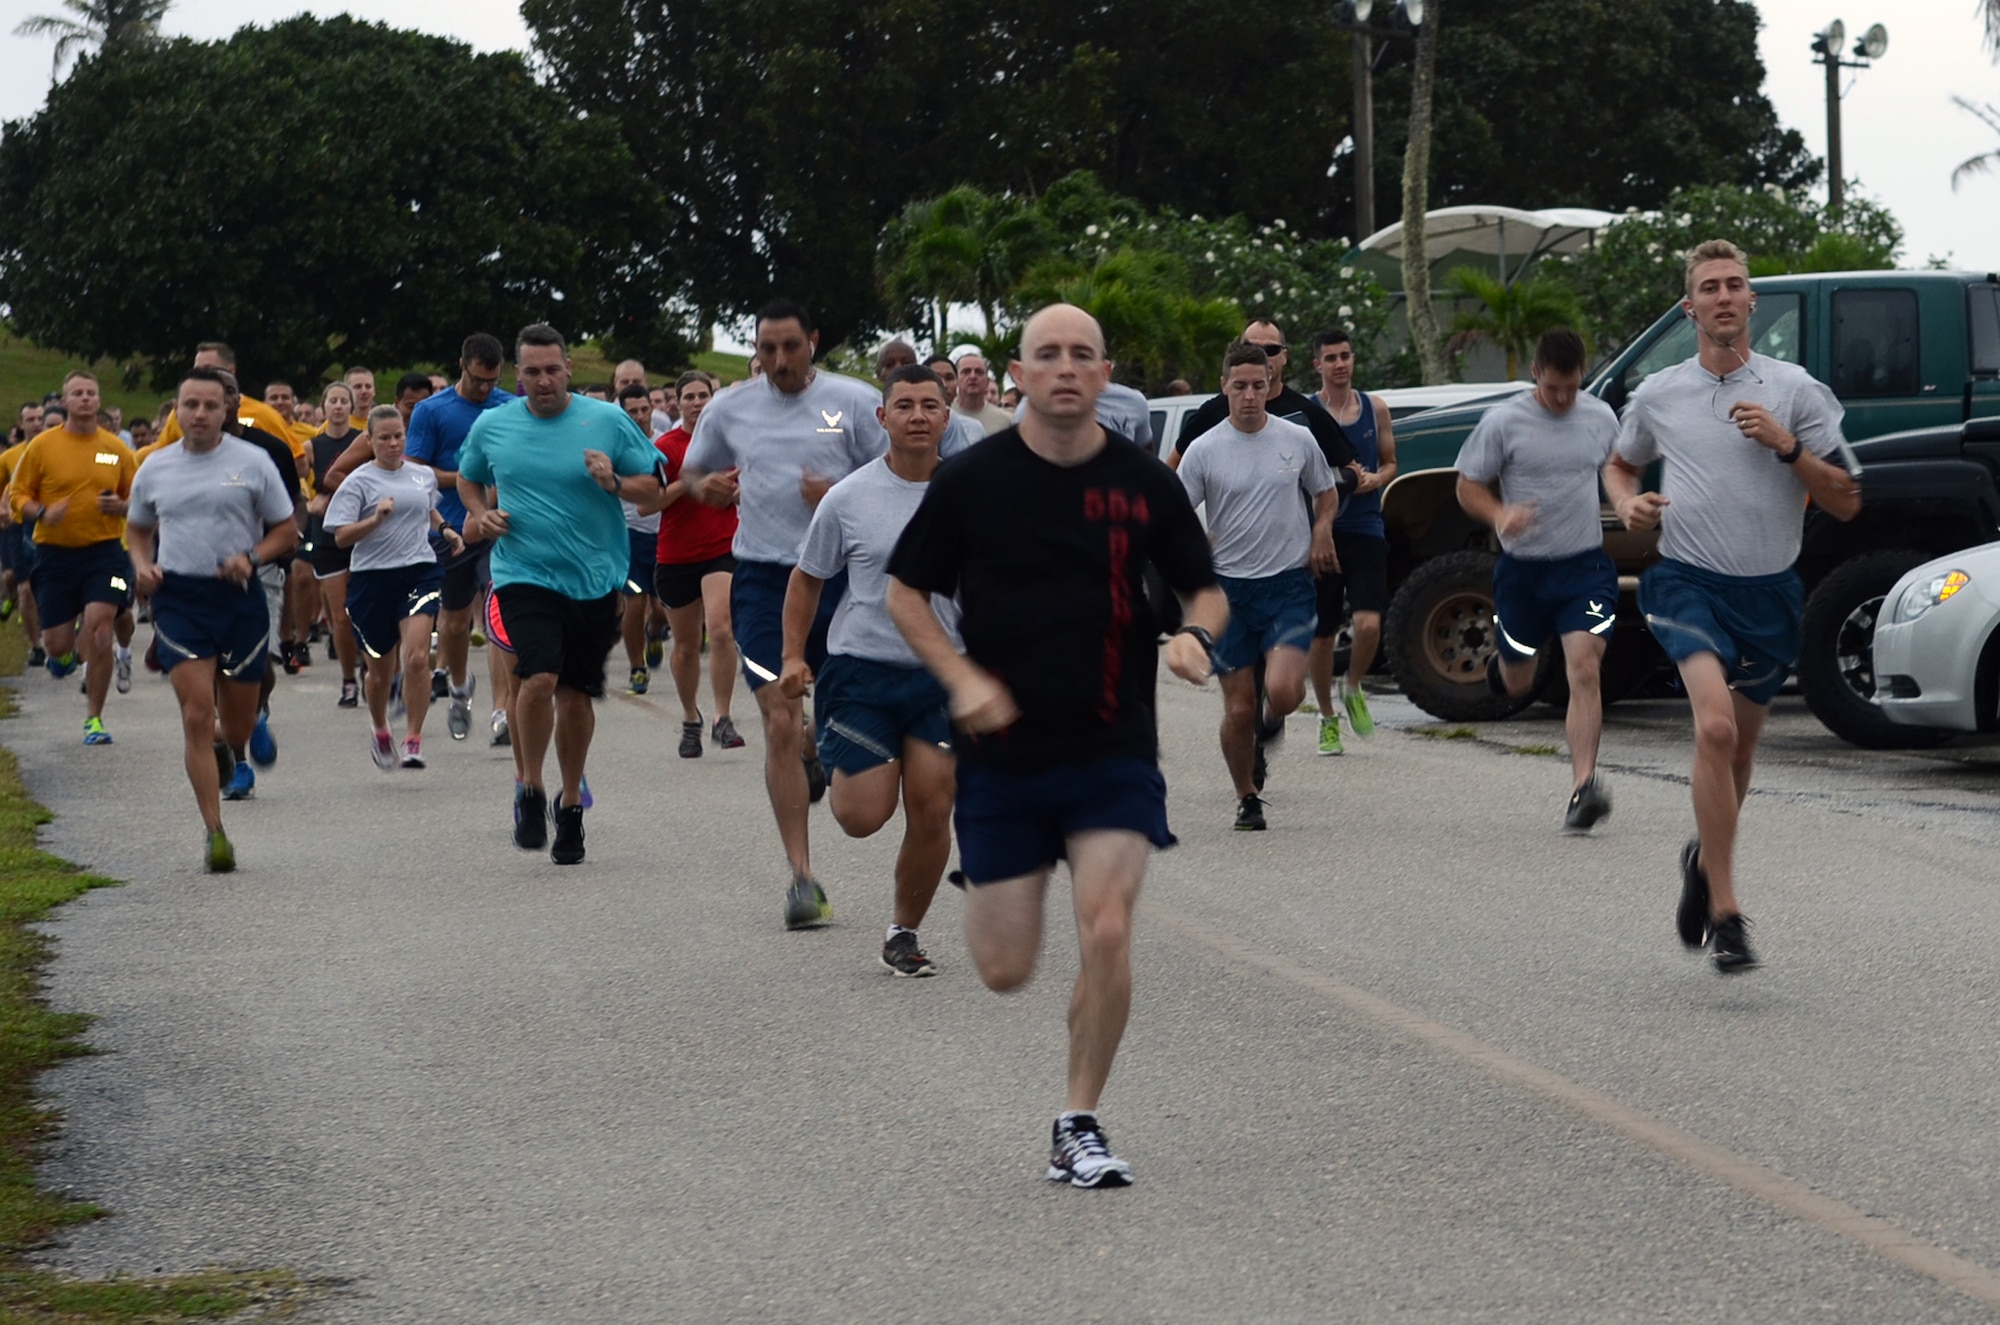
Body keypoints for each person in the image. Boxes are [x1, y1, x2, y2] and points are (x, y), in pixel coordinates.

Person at [886, 303, 1227, 1189]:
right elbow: (906, 594)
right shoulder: (970, 481)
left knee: (1108, 928)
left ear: (1105, 373)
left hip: (1114, 747)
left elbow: (1204, 588)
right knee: (1003, 968)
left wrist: (1197, 635)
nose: (1067, 367)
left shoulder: (1146, 482)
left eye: (1083, 354)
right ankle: (1009, 885)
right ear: (1019, 373)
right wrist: (960, 678)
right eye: (1049, 354)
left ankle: (1078, 1119)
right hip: (1002, 762)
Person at [1604, 239, 1862, 973]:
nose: (1723, 296)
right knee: (1714, 727)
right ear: (1690, 309)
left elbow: (1847, 499)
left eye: (1735, 285)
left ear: (1753, 303)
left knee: (1740, 751)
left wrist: (1788, 449)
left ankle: (1702, 861)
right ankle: (1727, 911)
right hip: (1686, 581)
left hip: (1770, 593)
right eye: (1709, 287)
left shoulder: (1796, 391)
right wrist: (1629, 504)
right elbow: (1620, 462)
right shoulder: (1659, 393)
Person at [683, 299, 890, 927]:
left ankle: (817, 746)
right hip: (764, 579)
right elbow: (692, 473)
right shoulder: (730, 407)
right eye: (767, 349)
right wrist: (706, 489)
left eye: (790, 348)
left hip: (843, 580)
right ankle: (802, 878)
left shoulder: (850, 402)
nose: (778, 362)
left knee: (830, 707)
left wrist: (838, 494)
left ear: (813, 342)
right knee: (777, 714)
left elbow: (898, 472)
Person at [457, 324, 663, 865]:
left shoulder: (610, 421)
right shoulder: (494, 425)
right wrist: (481, 514)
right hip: (523, 572)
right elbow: (467, 478)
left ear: (569, 369)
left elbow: (655, 493)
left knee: (574, 695)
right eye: (531, 372)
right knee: (538, 675)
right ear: (516, 376)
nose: (543, 381)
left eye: (552, 370)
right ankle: (529, 787)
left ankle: (569, 803)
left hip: (595, 580)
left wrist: (614, 480)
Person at [779, 364, 959, 977]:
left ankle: (903, 933)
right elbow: (807, 581)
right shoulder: (849, 497)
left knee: (934, 806)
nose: (916, 416)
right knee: (861, 817)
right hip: (861, 672)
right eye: (903, 405)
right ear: (882, 418)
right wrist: (794, 656)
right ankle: (817, 740)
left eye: (929, 405)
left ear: (946, 417)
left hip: (940, 674)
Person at [125, 367, 297, 872]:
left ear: (227, 411)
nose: (199, 414)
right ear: (176, 410)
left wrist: (252, 556)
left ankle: (230, 744)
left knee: (235, 725)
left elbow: (286, 530)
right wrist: (142, 567)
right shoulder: (154, 467)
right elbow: (137, 530)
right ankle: (215, 832)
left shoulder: (253, 461)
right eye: (190, 405)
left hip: (237, 593)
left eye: (210, 406)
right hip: (179, 596)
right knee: (196, 714)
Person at [1455, 328, 1620, 831]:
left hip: (1586, 568)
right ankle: (1502, 669)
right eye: (1553, 389)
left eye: (1572, 387)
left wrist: (1628, 500)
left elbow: (1616, 470)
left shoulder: (1600, 416)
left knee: (1585, 668)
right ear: (1535, 374)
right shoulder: (1504, 422)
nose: (1564, 398)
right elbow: (1467, 486)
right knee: (1518, 682)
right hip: (1523, 573)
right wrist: (1500, 514)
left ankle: (1583, 787)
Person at [1178, 342, 1339, 830]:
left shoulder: (1297, 438)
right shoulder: (1204, 450)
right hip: (1230, 593)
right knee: (1239, 706)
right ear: (1224, 387)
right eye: (1240, 386)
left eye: (1259, 385)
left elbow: (1326, 494)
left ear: (1271, 387)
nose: (1250, 395)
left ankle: (1273, 722)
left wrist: (1322, 530)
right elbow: (1177, 516)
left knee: (1285, 691)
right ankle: (1247, 795)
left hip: (1289, 583)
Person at [326, 405, 463, 770]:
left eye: (398, 436)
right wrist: (375, 519)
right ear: (369, 441)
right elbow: (340, 537)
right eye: (383, 438)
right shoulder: (358, 482)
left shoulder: (421, 476)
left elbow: (429, 511)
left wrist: (447, 530)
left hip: (419, 571)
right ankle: (380, 727)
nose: (392, 444)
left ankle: (414, 739)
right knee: (380, 672)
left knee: (417, 657)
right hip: (372, 577)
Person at [8, 371, 138, 744]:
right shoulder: (43, 447)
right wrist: (43, 513)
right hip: (54, 556)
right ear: (64, 403)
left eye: (91, 393)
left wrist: (122, 505)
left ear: (99, 402)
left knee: (100, 627)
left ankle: (94, 719)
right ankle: (60, 658)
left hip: (107, 556)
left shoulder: (116, 449)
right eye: (77, 394)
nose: (85, 399)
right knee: (58, 644)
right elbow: (17, 497)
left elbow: (141, 500)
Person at [404, 333, 517, 740]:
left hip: (500, 529)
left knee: (497, 616)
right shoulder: (431, 411)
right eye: (477, 380)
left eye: (492, 381)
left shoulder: (509, 407)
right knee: (451, 624)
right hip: (450, 529)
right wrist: (466, 479)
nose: (485, 389)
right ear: (462, 366)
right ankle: (457, 689)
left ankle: (502, 712)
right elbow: (415, 470)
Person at [1309, 326, 1398, 755]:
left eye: (1346, 355)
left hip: (1366, 527)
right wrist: (1339, 485)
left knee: (1368, 623)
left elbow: (1391, 461)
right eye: (1331, 358)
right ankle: (1327, 718)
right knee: (1323, 632)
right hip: (1322, 532)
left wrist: (1376, 479)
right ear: (1318, 365)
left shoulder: (1374, 407)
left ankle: (1354, 685)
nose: (1340, 364)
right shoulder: (1307, 414)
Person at [646, 372, 741, 756]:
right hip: (677, 554)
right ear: (677, 403)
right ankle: (690, 718)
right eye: (690, 396)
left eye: (704, 395)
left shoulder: (732, 440)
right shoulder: (665, 446)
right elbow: (646, 504)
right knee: (686, 647)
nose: (698, 402)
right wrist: (689, 480)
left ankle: (723, 717)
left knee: (720, 630)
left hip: (723, 548)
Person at [1167, 318, 1359, 483]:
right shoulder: (1213, 413)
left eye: (1271, 349)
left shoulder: (1305, 415)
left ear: (1284, 356)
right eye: (1252, 348)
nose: (1262, 356)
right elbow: (1171, 468)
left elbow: (1351, 471)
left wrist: (1300, 480)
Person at [304, 382, 363, 706]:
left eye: (344, 401)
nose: (338, 406)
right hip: (326, 535)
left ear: (351, 407)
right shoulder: (312, 446)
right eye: (333, 401)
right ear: (323, 408)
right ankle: (348, 680)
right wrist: (311, 502)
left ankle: (372, 667)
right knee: (340, 615)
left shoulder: (362, 441)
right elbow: (296, 486)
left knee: (364, 609)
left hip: (361, 533)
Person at [614, 382, 666, 693]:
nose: (640, 416)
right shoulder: (615, 448)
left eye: (644, 409)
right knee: (634, 603)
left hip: (664, 535)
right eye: (632, 411)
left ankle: (655, 629)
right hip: (628, 536)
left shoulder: (664, 444)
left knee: (661, 608)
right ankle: (637, 668)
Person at [951, 350, 1013, 435]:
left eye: (979, 372)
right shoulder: (945, 415)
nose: (973, 376)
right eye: (966, 372)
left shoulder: (1005, 421)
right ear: (956, 379)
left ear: (987, 381)